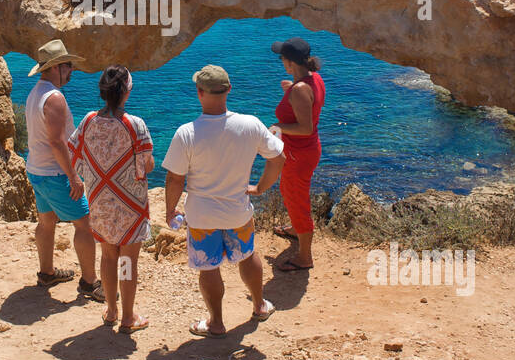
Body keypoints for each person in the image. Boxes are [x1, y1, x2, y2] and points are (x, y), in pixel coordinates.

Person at [162, 65, 285, 338]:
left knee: (208, 267)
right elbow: (278, 159)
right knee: (248, 255)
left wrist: (170, 209)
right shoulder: (250, 124)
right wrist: (261, 187)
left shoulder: (187, 133)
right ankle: (259, 305)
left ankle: (216, 322)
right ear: (229, 90)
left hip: (202, 217)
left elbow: (174, 179)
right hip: (238, 212)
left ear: (199, 92)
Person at [68, 65, 154, 332]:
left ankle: (111, 311)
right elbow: (146, 165)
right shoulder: (134, 124)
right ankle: (128, 317)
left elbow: (75, 152)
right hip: (130, 205)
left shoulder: (88, 120)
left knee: (107, 255)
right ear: (127, 91)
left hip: (100, 201)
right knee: (127, 260)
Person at [23, 39, 103, 302]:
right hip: (55, 174)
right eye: (69, 66)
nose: (71, 71)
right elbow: (57, 141)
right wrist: (73, 176)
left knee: (46, 223)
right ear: (56, 67)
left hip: (36, 170)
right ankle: (90, 282)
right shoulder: (54, 98)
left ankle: (47, 273)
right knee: (84, 225)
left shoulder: (36, 92)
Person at [268, 37, 326, 271]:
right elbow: (308, 102)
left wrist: (275, 128)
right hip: (302, 152)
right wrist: (290, 89)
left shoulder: (300, 89)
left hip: (299, 154)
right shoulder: (313, 79)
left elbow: (305, 128)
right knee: (289, 191)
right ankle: (295, 229)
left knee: (297, 199)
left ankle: (305, 257)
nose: (281, 61)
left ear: (290, 63)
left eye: (282, 58)